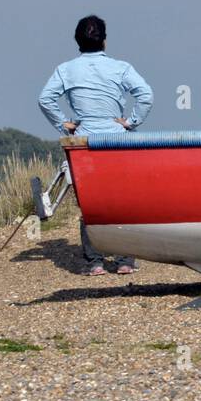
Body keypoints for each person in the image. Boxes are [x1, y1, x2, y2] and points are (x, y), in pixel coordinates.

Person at [38, 15, 153, 276]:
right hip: (116, 140)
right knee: (123, 200)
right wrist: (131, 122)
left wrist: (64, 124)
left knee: (90, 202)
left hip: (83, 142)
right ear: (104, 41)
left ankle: (95, 263)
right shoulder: (120, 67)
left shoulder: (65, 70)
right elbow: (145, 95)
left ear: (77, 41)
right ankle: (124, 261)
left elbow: (45, 99)